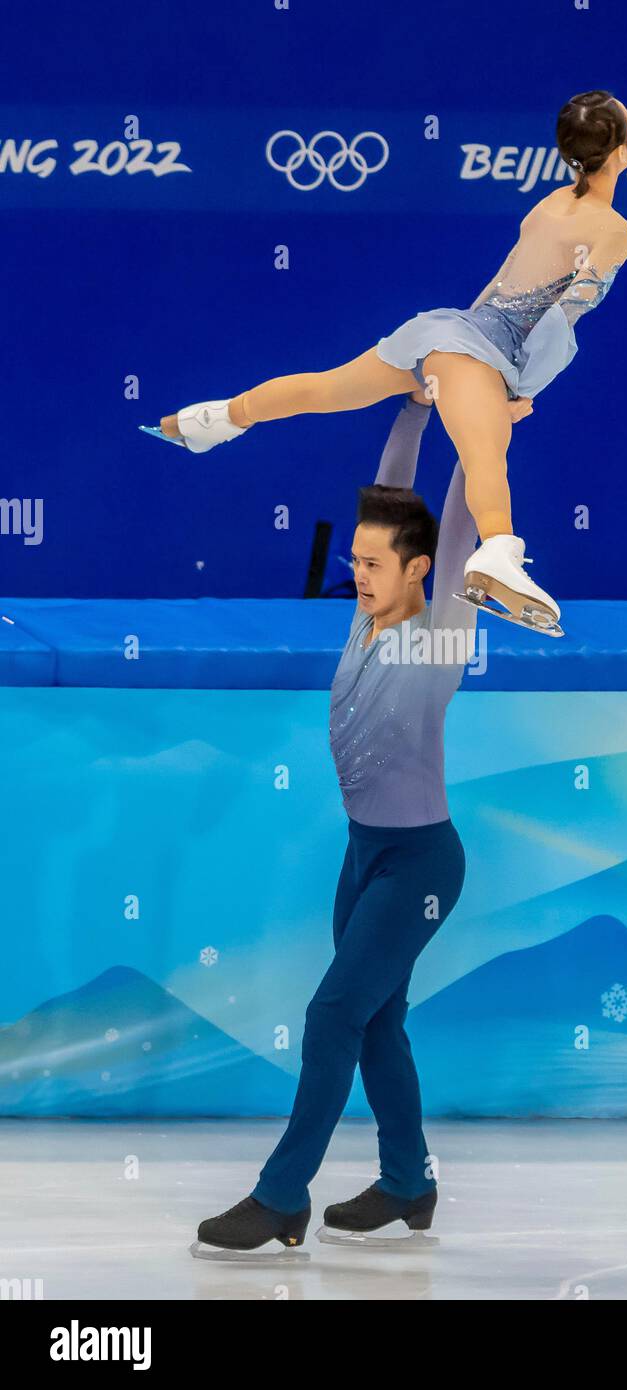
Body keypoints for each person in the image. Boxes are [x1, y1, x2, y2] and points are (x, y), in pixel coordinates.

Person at [142, 91, 627, 638]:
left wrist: (451, 369)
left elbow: (498, 290)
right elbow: (563, 318)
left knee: (326, 389)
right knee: (485, 455)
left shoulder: (550, 202)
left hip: (447, 331)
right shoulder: (615, 231)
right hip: (478, 351)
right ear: (620, 148)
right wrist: (514, 388)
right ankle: (497, 555)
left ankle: (212, 421)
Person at [192, 387, 494, 1256]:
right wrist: (413, 411)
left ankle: (281, 1196)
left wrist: (480, 431)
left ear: (418, 573)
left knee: (333, 1017)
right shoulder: (361, 628)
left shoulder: (440, 643)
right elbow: (390, 496)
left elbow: (462, 526)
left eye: (375, 564)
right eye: (356, 562)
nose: (358, 573)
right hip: (363, 857)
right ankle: (410, 1183)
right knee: (374, 1021)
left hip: (422, 868)